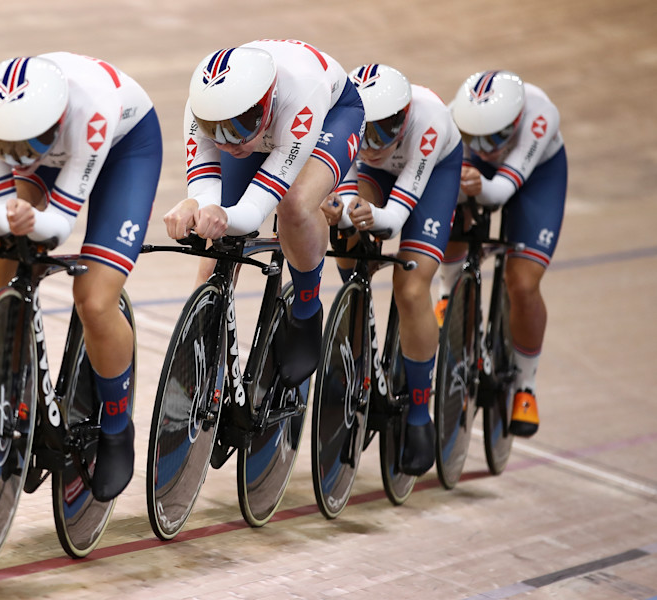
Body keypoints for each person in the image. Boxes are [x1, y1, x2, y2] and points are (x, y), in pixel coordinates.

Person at [0, 53, 163, 501]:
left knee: (94, 299)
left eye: (24, 144)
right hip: (50, 158)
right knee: (3, 250)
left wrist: (24, 218)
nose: (15, 155)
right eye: (6, 146)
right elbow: (1, 213)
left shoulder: (93, 110)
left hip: (123, 151)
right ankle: (9, 368)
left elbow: (57, 228)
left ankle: (116, 426)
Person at [163, 39, 366, 387]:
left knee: (295, 204)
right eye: (214, 131)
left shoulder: (303, 94)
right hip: (266, 127)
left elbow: (253, 211)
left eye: (237, 128)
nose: (225, 143)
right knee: (213, 257)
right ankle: (203, 365)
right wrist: (195, 205)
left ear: (266, 103)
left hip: (330, 117)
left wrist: (223, 215)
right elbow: (206, 193)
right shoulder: (205, 109)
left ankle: (306, 310)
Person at [321, 64, 462, 476]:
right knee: (349, 250)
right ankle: (356, 354)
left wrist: (370, 215)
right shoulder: (343, 115)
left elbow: (395, 219)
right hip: (376, 179)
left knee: (411, 288)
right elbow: (345, 191)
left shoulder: (430, 120)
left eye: (381, 133)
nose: (370, 145)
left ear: (404, 117)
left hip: (431, 177)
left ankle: (419, 412)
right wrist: (340, 211)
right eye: (363, 133)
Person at [438, 70, 567, 438]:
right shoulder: (452, 117)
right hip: (481, 174)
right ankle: (449, 293)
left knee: (522, 284)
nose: (483, 147)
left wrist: (477, 185)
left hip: (537, 176)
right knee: (449, 209)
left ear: (515, 121)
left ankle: (526, 387)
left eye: (494, 137)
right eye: (472, 137)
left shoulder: (540, 116)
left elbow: (498, 192)